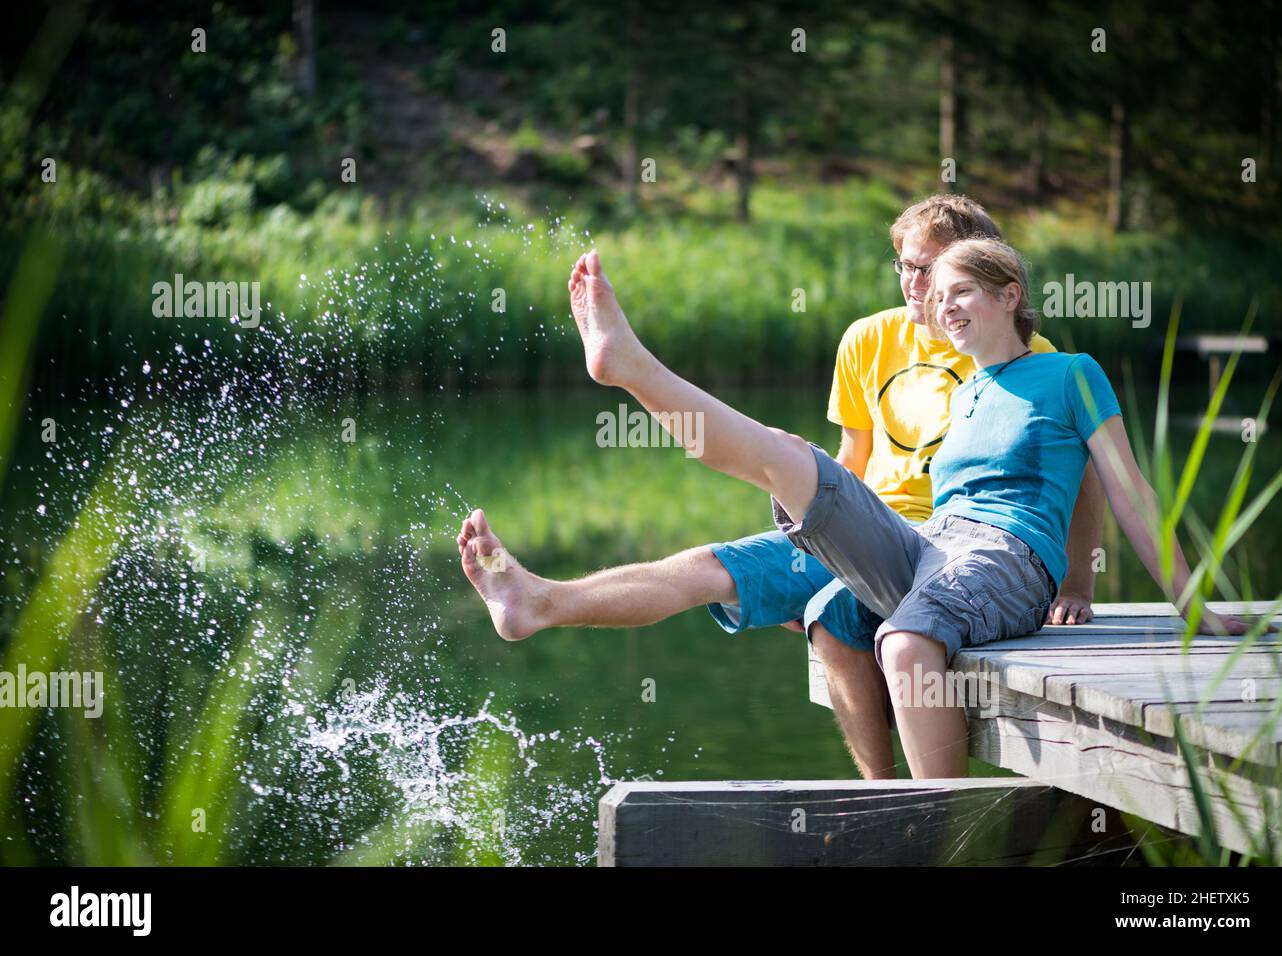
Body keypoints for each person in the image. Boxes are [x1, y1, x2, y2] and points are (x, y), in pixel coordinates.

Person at [458, 197, 1103, 780]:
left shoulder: (1015, 350)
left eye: (931, 271)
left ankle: (905, 799)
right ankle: (538, 602)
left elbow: (1076, 475)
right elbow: (851, 461)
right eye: (904, 266)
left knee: (834, 613)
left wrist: (1076, 584)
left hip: (952, 551)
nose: (916, 285)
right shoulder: (868, 338)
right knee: (702, 568)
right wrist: (827, 548)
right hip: (862, 527)